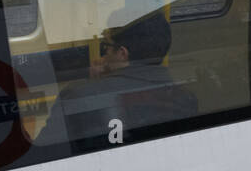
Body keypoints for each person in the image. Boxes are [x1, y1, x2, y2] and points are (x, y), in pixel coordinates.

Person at [34, 11, 196, 151]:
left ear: (122, 53)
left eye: (106, 47)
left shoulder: (77, 97)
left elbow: (45, 150)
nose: (102, 55)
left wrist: (93, 86)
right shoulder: (186, 99)